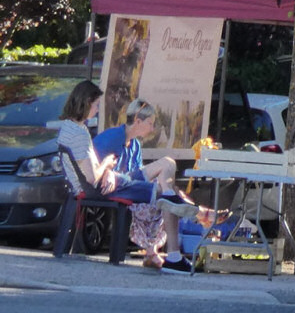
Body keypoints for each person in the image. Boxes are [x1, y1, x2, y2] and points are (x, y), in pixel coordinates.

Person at [57, 81, 199, 272]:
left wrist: (106, 168)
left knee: (167, 181)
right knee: (167, 193)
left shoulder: (69, 128)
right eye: (96, 105)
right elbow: (92, 178)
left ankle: (174, 233)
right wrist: (107, 163)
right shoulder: (81, 134)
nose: (97, 110)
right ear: (86, 102)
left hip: (106, 181)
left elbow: (87, 170)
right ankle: (174, 254)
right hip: (104, 186)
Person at [93, 99, 179, 197]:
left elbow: (138, 175)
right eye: (150, 123)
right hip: (117, 187)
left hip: (129, 182)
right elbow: (94, 171)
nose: (152, 129)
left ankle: (167, 192)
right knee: (160, 190)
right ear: (137, 121)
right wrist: (108, 172)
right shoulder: (111, 138)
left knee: (169, 162)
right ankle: (168, 196)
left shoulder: (135, 145)